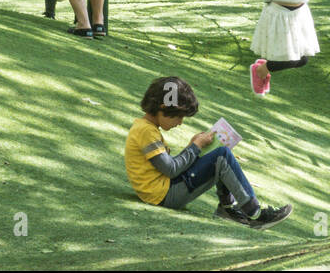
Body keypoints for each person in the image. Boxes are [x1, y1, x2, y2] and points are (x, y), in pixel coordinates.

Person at [124, 76, 292, 228]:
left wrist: (192, 147)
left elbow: (166, 167)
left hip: (163, 190)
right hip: (163, 196)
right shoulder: (146, 131)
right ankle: (255, 214)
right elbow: (170, 169)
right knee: (221, 156)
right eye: (179, 117)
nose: (180, 123)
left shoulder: (146, 129)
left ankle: (228, 209)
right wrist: (195, 147)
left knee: (218, 155)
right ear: (162, 108)